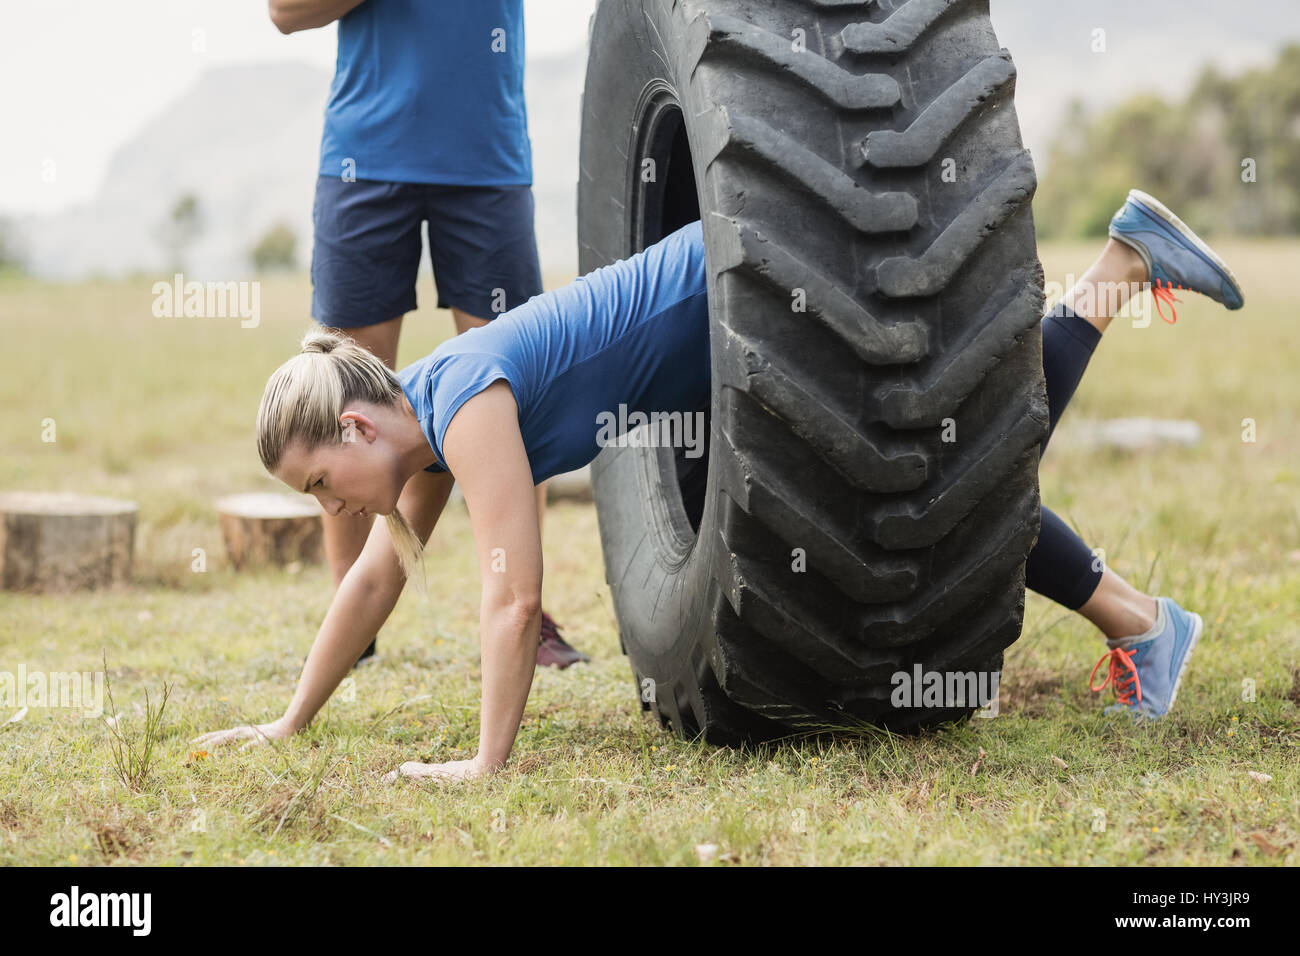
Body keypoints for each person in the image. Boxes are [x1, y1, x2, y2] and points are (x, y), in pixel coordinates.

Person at [192, 189, 1244, 778]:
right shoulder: (421, 433)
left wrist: (485, 762)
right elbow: (376, 582)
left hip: (766, 280)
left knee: (953, 470)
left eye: (325, 481)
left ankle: (1143, 609)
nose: (335, 508)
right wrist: (290, 721)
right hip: (744, 299)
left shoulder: (464, 404)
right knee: (952, 469)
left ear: (358, 422)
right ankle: (1141, 610)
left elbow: (511, 597)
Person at [267, 0, 585, 668]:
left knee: (516, 392)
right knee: (339, 403)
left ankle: (527, 615)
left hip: (488, 158)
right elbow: (285, 11)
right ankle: (352, 633)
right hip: (365, 156)